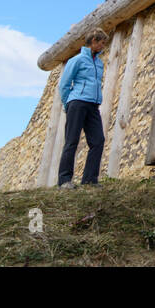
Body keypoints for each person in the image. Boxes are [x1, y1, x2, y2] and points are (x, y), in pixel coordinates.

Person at [56, 27, 108, 189]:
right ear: (93, 41)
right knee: (71, 141)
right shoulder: (77, 60)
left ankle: (90, 180)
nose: (103, 46)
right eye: (101, 42)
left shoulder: (99, 63)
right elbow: (64, 84)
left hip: (93, 105)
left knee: (98, 140)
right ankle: (64, 180)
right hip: (77, 102)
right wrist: (68, 103)